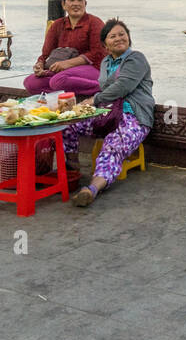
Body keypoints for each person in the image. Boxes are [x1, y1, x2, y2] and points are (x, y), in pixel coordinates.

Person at [60, 18, 153, 206]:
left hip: (133, 117)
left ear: (129, 37)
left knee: (111, 146)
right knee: (68, 123)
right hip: (107, 114)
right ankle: (72, 170)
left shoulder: (136, 58)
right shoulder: (105, 62)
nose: (119, 38)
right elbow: (106, 89)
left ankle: (92, 188)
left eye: (122, 34)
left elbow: (122, 87)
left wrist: (94, 99)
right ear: (105, 44)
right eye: (113, 36)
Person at [24, 0, 107, 99]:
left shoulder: (94, 22)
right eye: (71, 0)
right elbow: (45, 54)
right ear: (64, 4)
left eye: (80, 0)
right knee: (30, 82)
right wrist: (40, 65)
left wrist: (67, 63)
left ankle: (104, 88)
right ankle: (70, 94)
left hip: (93, 68)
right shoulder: (57, 25)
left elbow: (98, 53)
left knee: (58, 80)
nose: (76, 4)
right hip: (64, 72)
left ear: (85, 3)